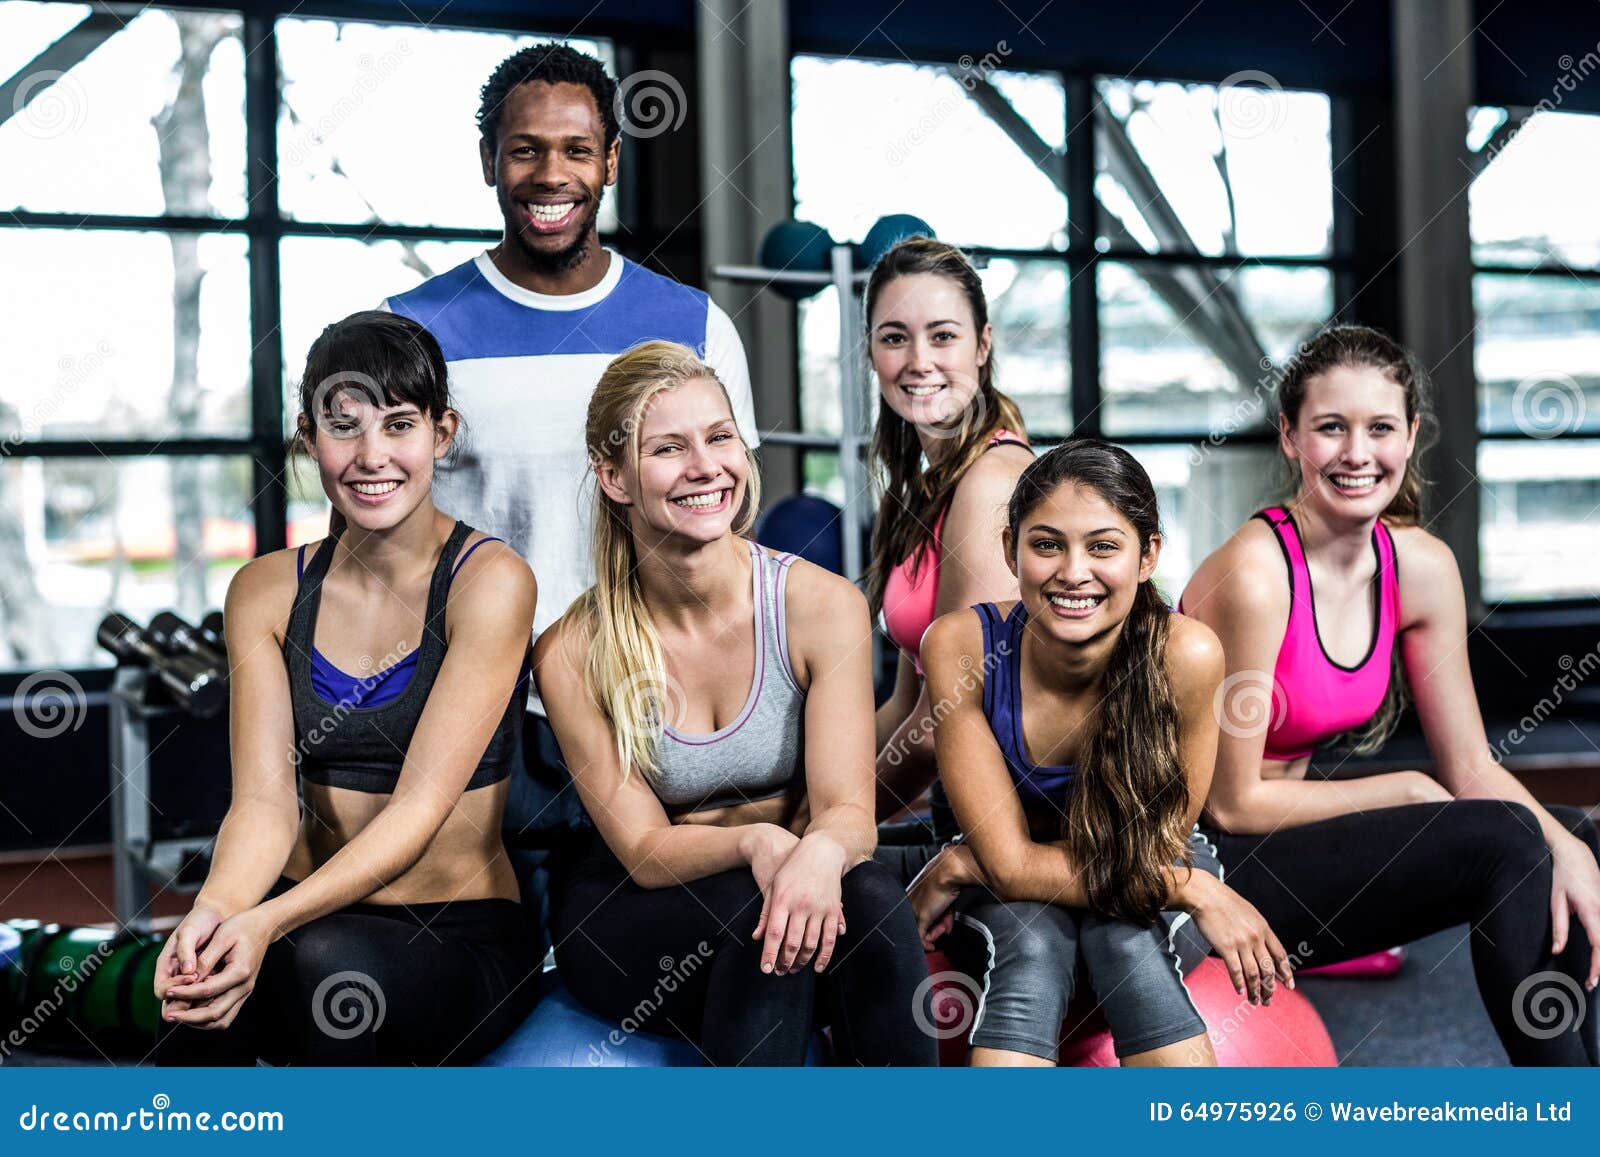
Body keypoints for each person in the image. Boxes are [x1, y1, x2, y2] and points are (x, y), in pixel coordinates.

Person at [379, 44, 759, 890]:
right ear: (489, 160)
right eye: (525, 149)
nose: (552, 174)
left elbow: (726, 527)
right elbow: (373, 540)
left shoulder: (692, 326)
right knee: (490, 955)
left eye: (577, 150)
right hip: (472, 705)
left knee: (636, 944)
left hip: (645, 700)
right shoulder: (413, 328)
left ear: (611, 162)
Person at [1180, 324, 1600, 1066]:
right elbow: (1230, 802)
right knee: (1505, 840)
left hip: (1294, 845)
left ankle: (1582, 1087)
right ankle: (1562, 1103)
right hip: (1202, 867)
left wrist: (1566, 839)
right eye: (1330, 428)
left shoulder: (1421, 567)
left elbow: (1471, 766)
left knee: (1576, 838)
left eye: (1379, 428)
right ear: (1289, 436)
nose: (1356, 453)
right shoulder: (1254, 573)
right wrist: (1405, 786)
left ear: (1410, 436)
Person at [154, 312, 539, 1065]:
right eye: (344, 427)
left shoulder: (489, 582)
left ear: (442, 432)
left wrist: (266, 924)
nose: (372, 457)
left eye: (400, 425)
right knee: (196, 997)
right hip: (303, 918)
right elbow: (264, 803)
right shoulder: (264, 592)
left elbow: (421, 809)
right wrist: (215, 913)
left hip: (452, 932)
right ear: (308, 436)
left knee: (328, 967)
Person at [536, 341, 936, 1066]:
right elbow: (646, 849)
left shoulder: (821, 606)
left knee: (874, 898)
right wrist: (761, 842)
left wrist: (815, 849)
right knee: (762, 918)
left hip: (789, 892)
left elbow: (849, 810)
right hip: (632, 909)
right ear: (614, 476)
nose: (704, 466)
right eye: (668, 447)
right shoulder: (571, 649)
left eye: (720, 437)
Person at [909, 440, 1291, 1066]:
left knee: (1124, 943)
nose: (1073, 572)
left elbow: (1150, 849)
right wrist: (1193, 891)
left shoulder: (1187, 655)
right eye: (1046, 544)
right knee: (1030, 947)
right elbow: (1008, 870)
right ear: (1011, 550)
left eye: (1104, 546)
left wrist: (959, 867)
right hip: (1039, 882)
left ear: (1149, 557)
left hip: (1148, 865)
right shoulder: (960, 645)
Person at [863, 237, 1033, 832]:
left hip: (1028, 827)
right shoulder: (928, 486)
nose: (918, 360)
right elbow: (904, 705)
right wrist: (815, 792)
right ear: (871, 352)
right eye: (894, 337)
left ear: (983, 344)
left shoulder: (992, 483)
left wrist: (826, 825)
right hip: (960, 810)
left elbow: (946, 722)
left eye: (943, 335)